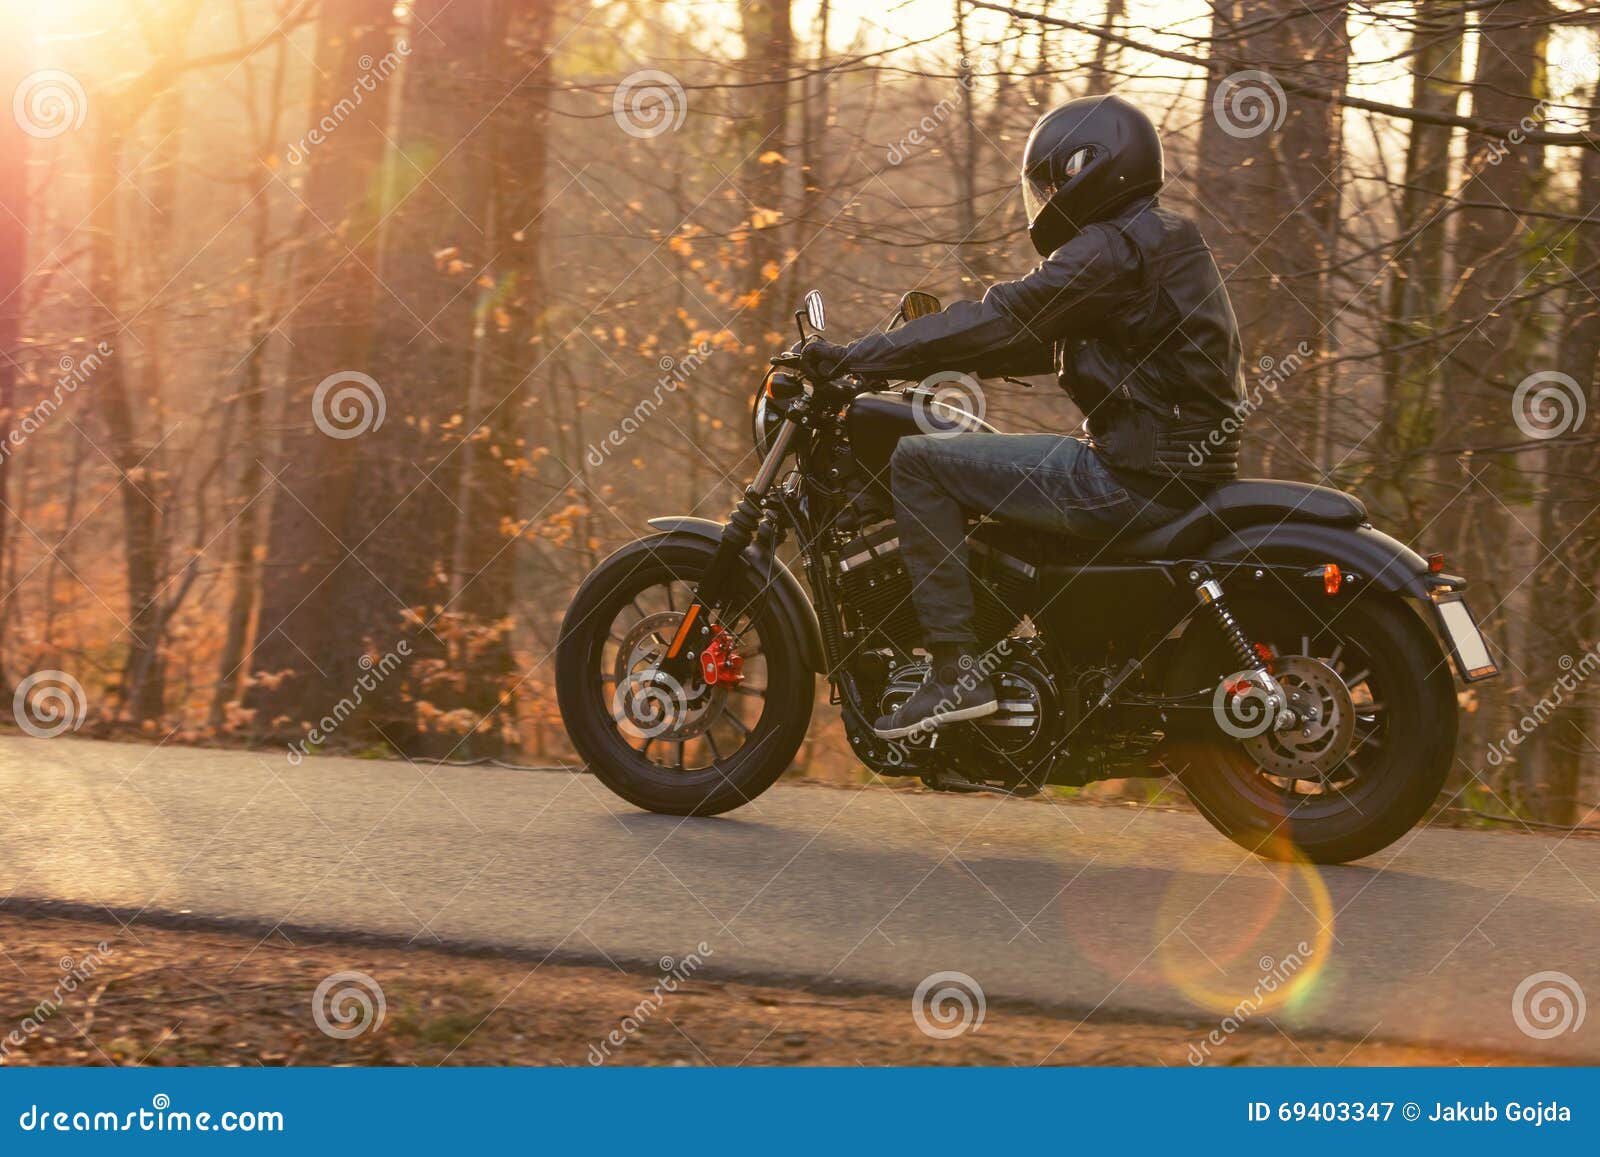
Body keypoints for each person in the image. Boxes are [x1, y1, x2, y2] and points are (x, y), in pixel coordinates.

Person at [797, 94, 1247, 740]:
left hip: (1131, 475)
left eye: (1050, 181)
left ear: (1088, 166)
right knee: (972, 455)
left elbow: (1005, 318)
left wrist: (856, 358)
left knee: (921, 462)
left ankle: (955, 671)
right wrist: (914, 356)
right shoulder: (1154, 239)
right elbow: (1029, 338)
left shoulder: (1110, 249)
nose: (1044, 198)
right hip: (1170, 467)